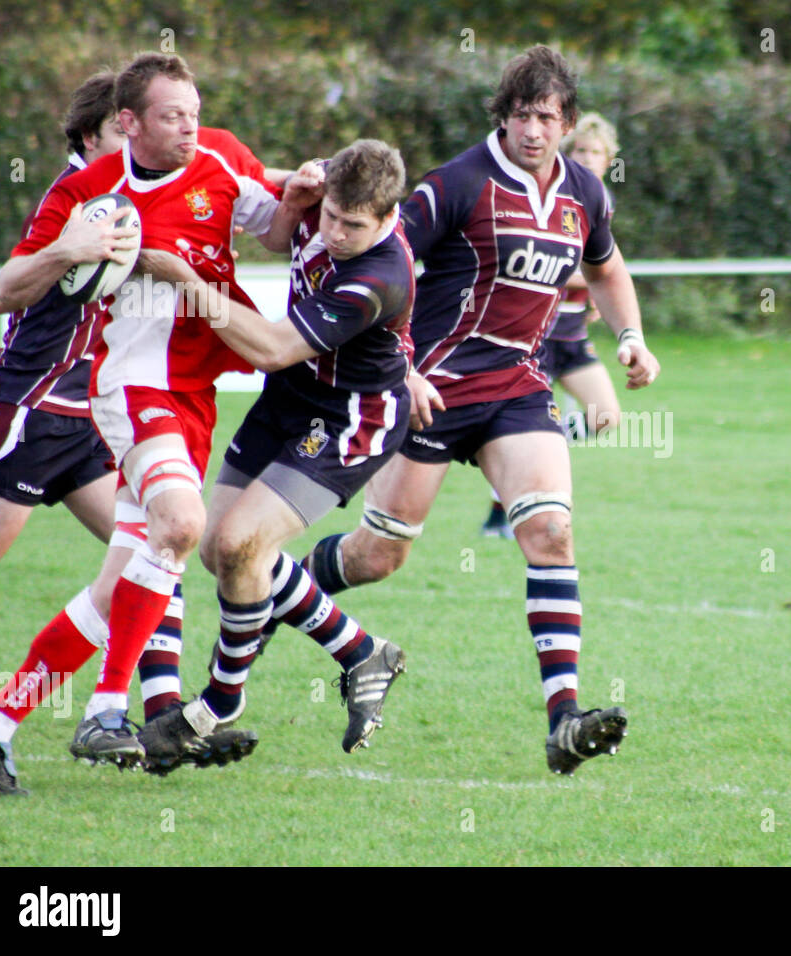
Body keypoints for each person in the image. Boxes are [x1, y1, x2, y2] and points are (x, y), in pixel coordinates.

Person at [295, 46, 660, 776]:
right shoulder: (457, 184)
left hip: (518, 387)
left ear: (566, 121)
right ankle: (274, 591)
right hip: (433, 387)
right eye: (521, 114)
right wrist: (396, 368)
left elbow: (607, 267)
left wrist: (632, 337)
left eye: (547, 116)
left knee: (552, 531)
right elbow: (384, 262)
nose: (533, 129)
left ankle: (564, 719)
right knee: (379, 556)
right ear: (503, 115)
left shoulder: (584, 193)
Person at [0, 52, 305, 786]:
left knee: (123, 579)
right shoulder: (90, 191)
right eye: (173, 116)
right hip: (125, 385)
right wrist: (72, 247)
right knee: (184, 525)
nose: (191, 128)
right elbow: (3, 290)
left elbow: (276, 230)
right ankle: (109, 709)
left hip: (193, 390)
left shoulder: (217, 168)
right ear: (128, 123)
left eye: (194, 112)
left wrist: (304, 190)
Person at [131, 140, 419, 771]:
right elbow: (273, 226)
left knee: (240, 543)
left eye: (354, 225)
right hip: (288, 399)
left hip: (349, 418)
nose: (336, 233)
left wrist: (186, 281)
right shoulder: (325, 198)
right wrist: (294, 200)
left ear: (388, 219)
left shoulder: (377, 279)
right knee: (218, 550)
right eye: (332, 216)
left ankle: (213, 709)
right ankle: (362, 652)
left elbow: (268, 347)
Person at [0, 71, 185, 795]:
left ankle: (112, 714)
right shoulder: (74, 196)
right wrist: (71, 247)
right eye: (125, 131)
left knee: (154, 547)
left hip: (89, 420)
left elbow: (220, 162)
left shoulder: (138, 190)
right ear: (98, 135)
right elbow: (5, 289)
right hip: (27, 411)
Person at [481, 112, 624, 538]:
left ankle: (549, 439)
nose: (586, 157)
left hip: (574, 337)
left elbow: (596, 265)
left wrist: (598, 294)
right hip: (537, 339)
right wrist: (599, 283)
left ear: (608, 158)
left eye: (595, 152)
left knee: (605, 416)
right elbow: (564, 267)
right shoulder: (551, 192)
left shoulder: (600, 200)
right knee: (519, 434)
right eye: (579, 149)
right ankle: (497, 518)